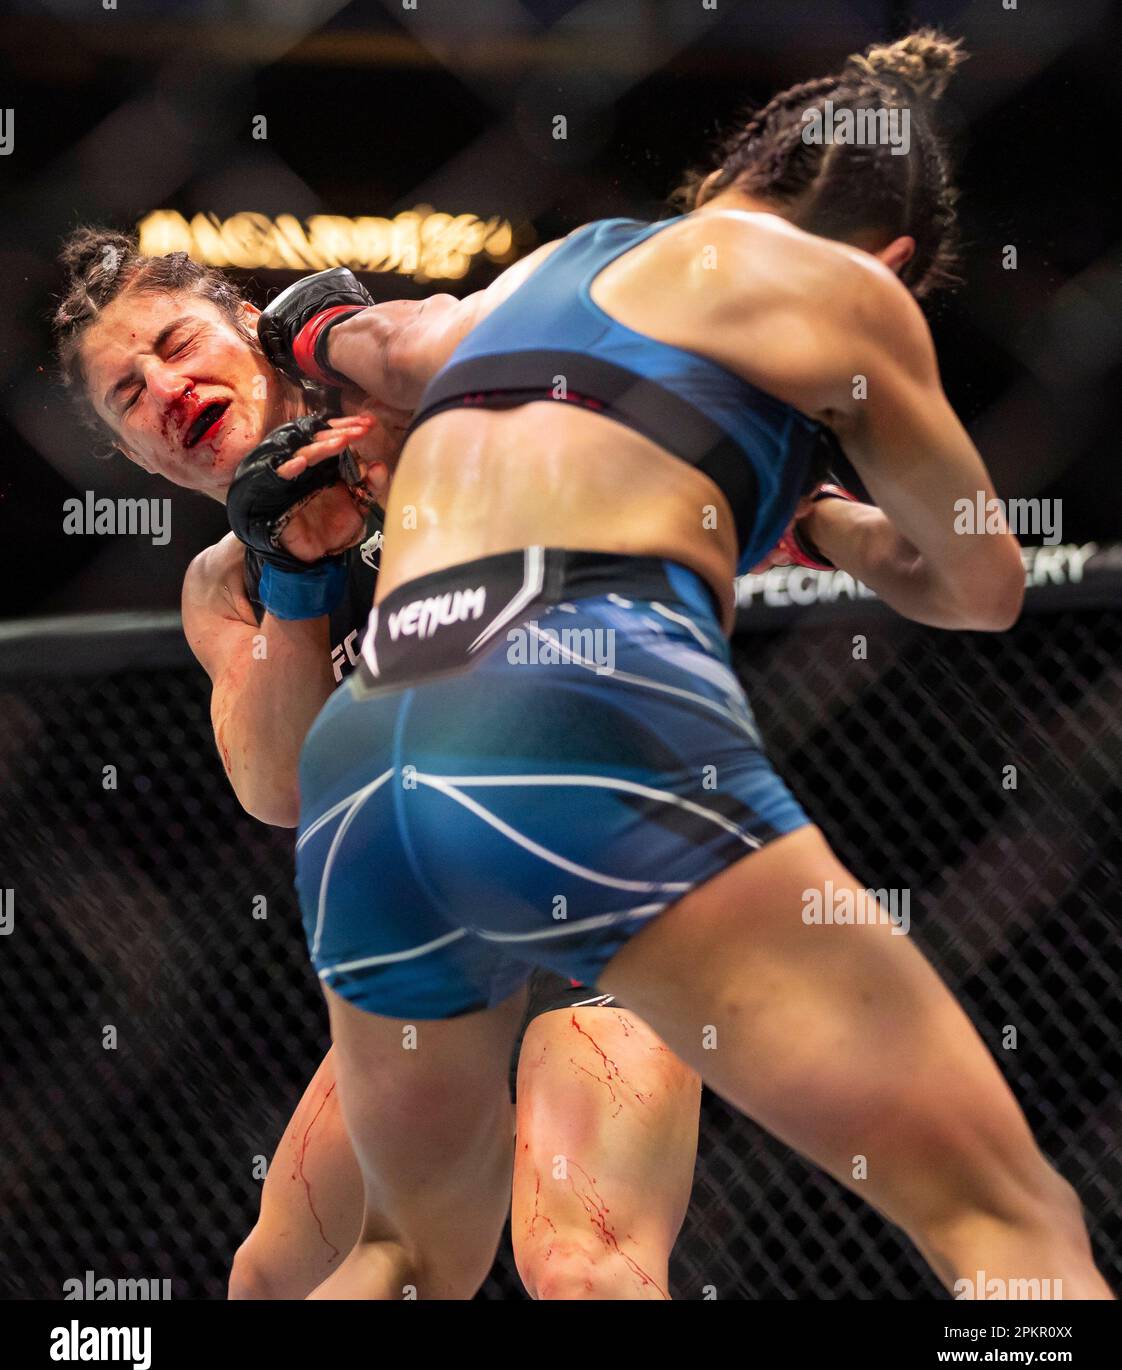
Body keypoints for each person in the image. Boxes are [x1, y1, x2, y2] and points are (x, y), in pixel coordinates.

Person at [266, 29, 1115, 1298]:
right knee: (1008, 1217)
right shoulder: (832, 285)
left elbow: (382, 347)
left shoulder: (547, 271)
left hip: (361, 758)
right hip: (569, 696)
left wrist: (311, 331)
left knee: (399, 1251)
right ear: (890, 259)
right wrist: (820, 514)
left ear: (732, 175)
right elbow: (982, 583)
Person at [53, 231, 702, 1301]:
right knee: (272, 1276)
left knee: (585, 1267)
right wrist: (292, 576)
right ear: (134, 458)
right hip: (436, 937)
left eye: (177, 344)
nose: (166, 387)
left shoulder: (422, 403)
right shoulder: (226, 586)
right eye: (129, 393)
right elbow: (277, 787)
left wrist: (352, 358)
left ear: (255, 340)